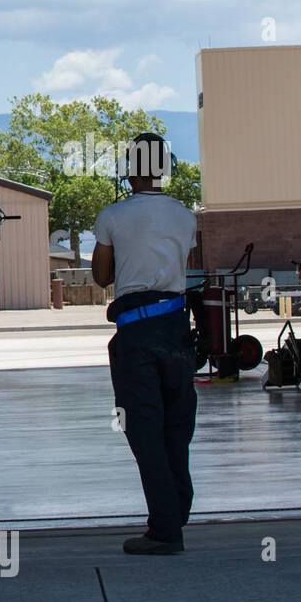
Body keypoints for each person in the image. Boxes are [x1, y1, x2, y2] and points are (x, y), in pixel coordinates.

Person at [92, 132, 198, 555]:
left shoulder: (113, 216)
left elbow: (102, 277)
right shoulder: (185, 215)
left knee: (144, 428)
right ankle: (177, 510)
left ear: (130, 167)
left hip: (137, 333)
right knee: (176, 426)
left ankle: (165, 530)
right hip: (176, 326)